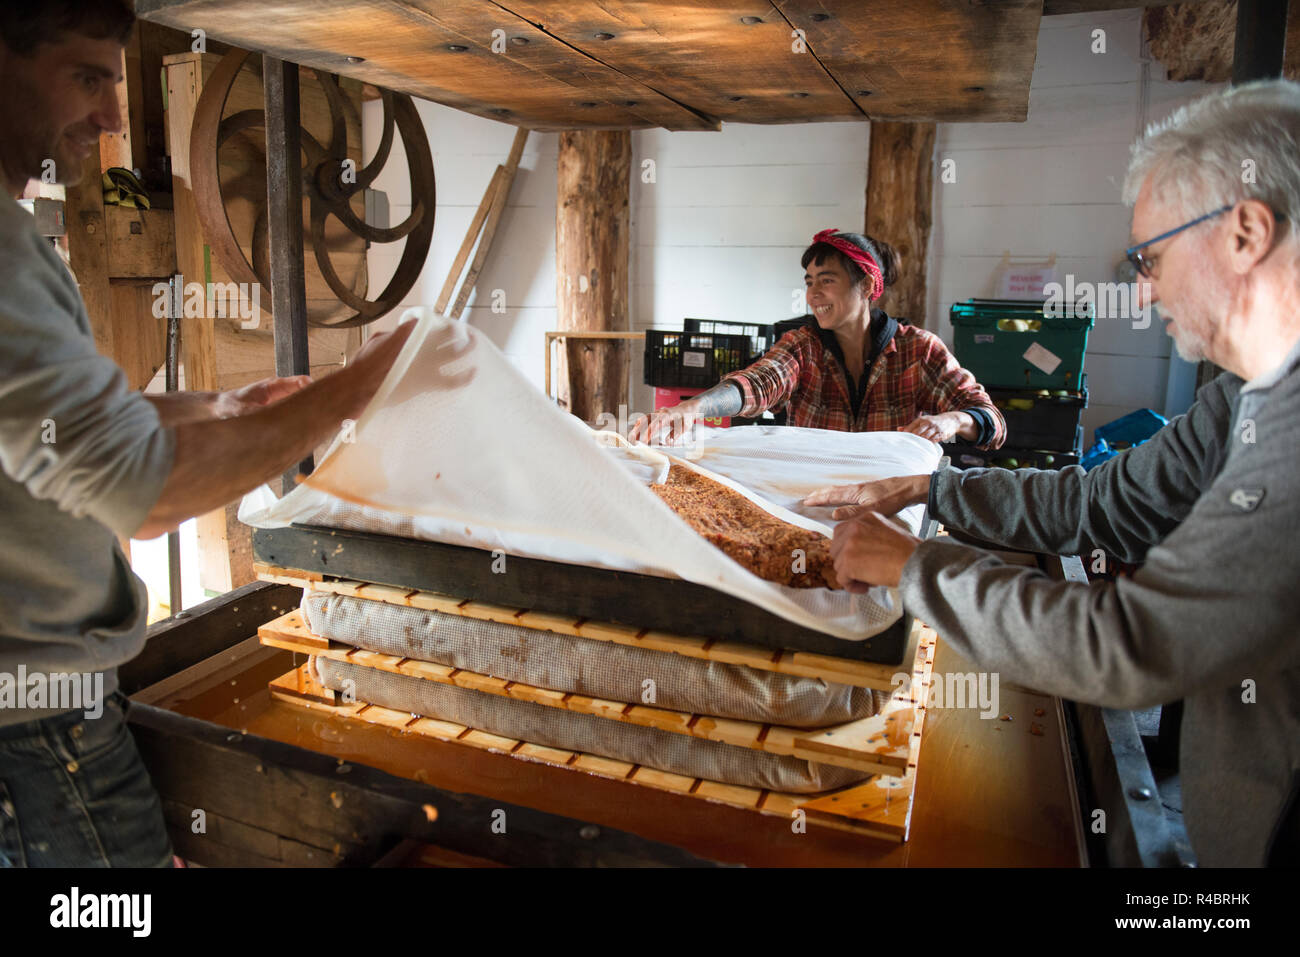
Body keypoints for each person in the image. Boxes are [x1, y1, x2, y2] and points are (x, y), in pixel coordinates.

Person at [808, 79, 1300, 867]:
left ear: (1245, 232)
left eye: (1153, 256)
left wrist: (916, 565)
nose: (1143, 289)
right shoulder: (1243, 393)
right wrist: (934, 489)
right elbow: (1106, 497)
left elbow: (1132, 642)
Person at [0, 2, 415, 866]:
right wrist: (365, 383)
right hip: (37, 739)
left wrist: (224, 411)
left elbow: (70, 436)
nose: (113, 117)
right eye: (87, 78)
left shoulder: (15, 240)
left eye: (116, 85)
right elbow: (146, 494)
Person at [629, 230, 1006, 448]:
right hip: (811, 493)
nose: (812, 296)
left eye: (827, 281)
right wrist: (693, 408)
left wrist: (952, 421)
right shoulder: (802, 346)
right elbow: (758, 383)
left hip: (890, 500)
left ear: (869, 286)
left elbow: (992, 422)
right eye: (809, 283)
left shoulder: (918, 351)